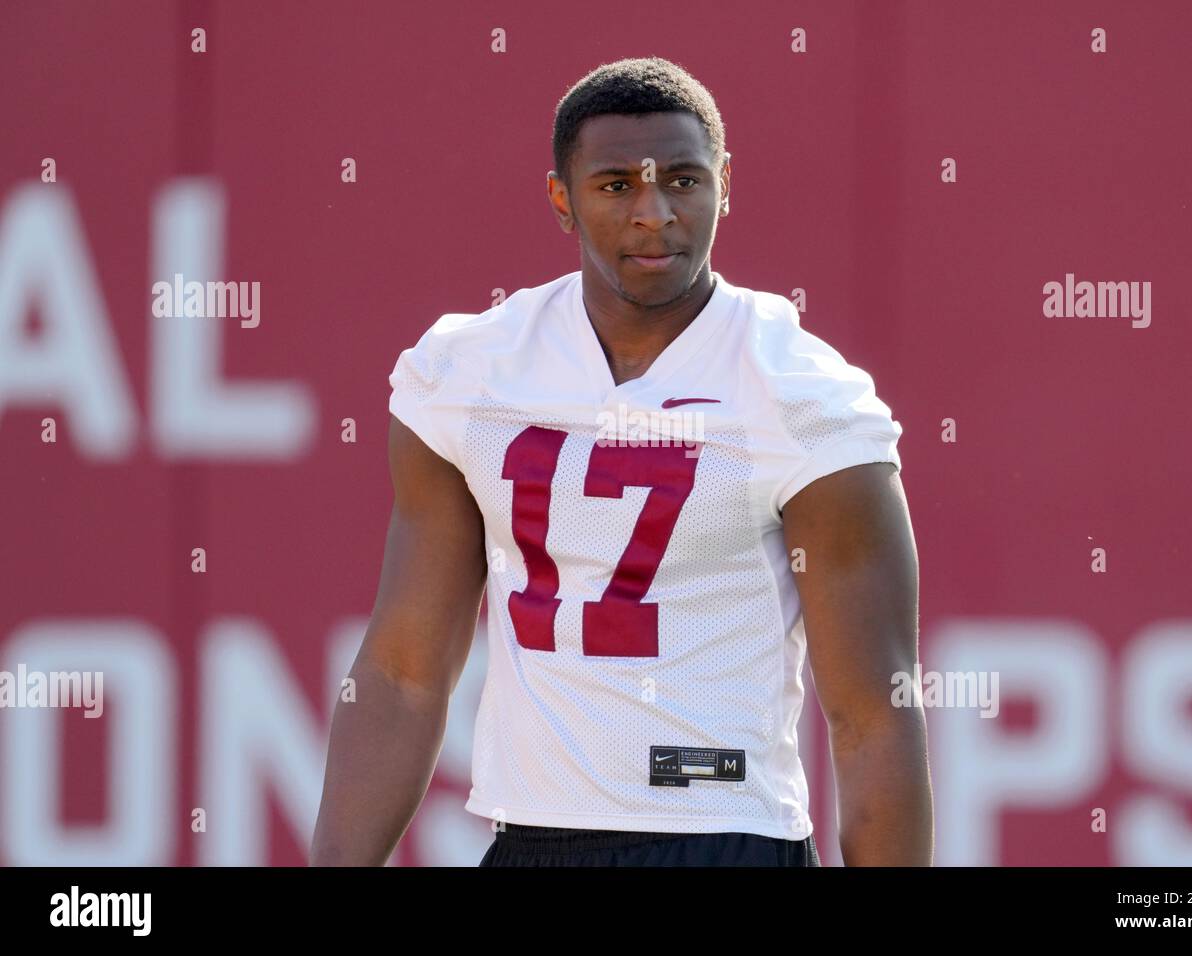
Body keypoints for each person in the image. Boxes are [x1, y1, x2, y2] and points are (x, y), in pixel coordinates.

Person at [310, 56, 931, 867]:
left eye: (682, 181)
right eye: (614, 186)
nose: (654, 215)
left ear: (725, 183)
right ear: (560, 198)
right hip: (533, 841)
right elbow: (402, 671)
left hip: (726, 840)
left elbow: (873, 715)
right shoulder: (470, 374)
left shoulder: (802, 395)